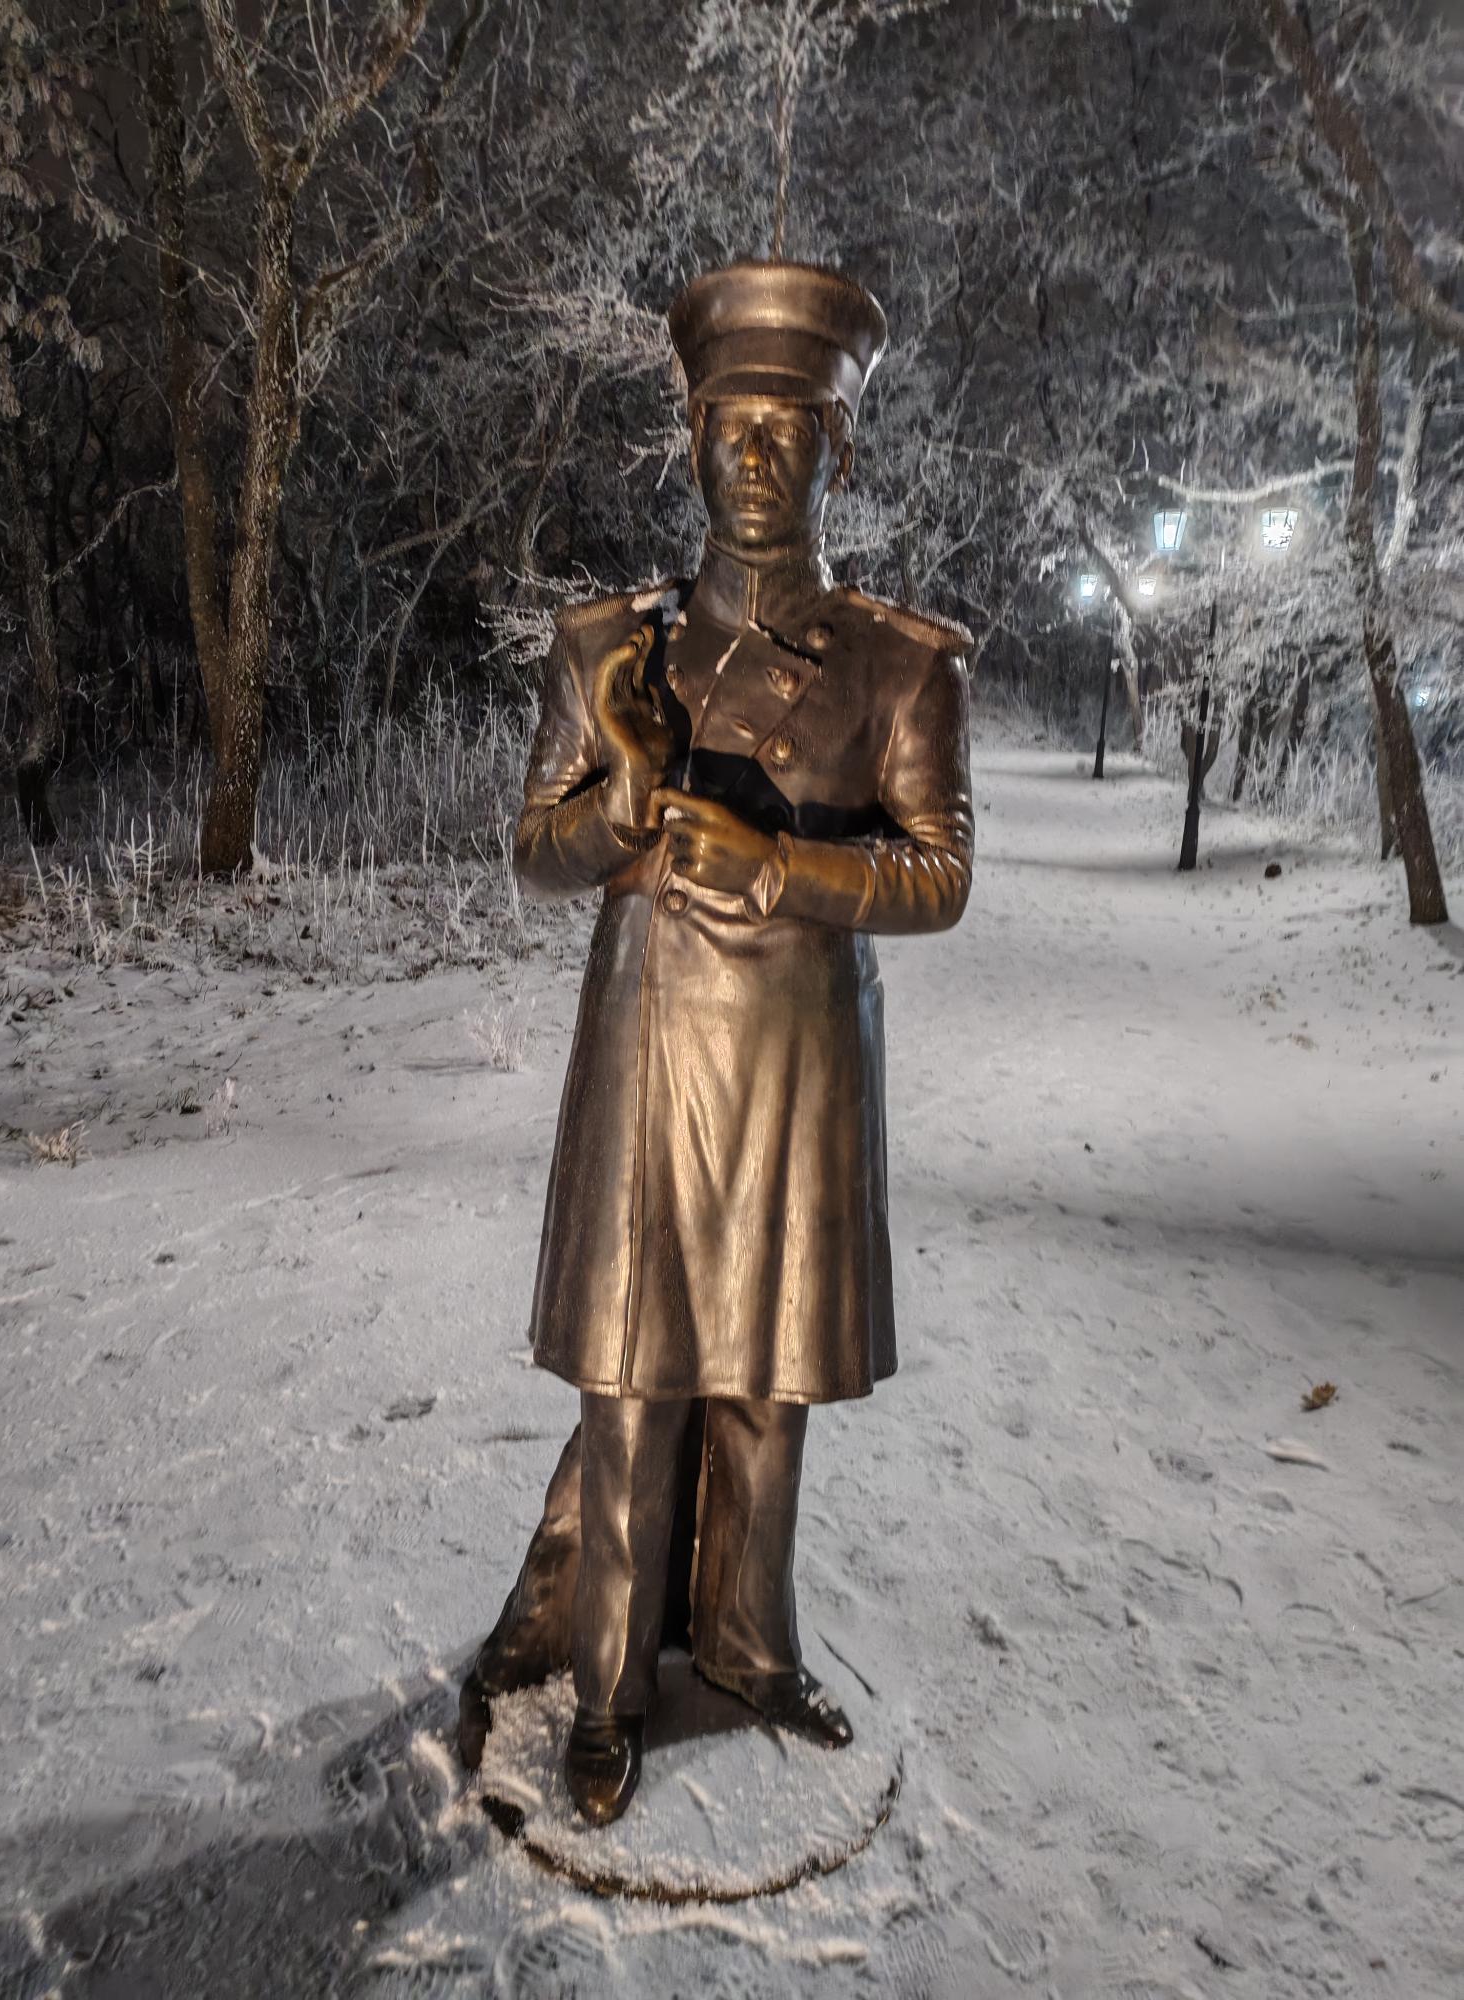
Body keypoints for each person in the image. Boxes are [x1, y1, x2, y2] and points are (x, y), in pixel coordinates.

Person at [458, 259, 975, 1825]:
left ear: (840, 447)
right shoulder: (607, 644)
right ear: (689, 439)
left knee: (770, 1376)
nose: (759, 457)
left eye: (791, 427)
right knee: (640, 1378)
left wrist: (778, 869)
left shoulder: (905, 663)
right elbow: (535, 853)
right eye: (730, 427)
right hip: (650, 1042)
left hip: (806, 1052)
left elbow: (939, 873)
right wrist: (620, 799)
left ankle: (749, 1644)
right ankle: (607, 1683)